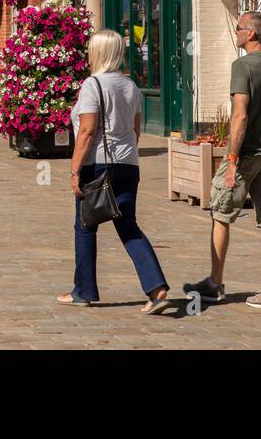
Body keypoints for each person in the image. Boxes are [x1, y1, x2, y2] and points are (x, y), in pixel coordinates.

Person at [57, 29, 172, 314]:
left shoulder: (92, 85)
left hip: (97, 165)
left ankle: (83, 291)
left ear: (97, 53)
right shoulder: (131, 86)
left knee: (85, 226)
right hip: (128, 165)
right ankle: (157, 288)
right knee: (128, 225)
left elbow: (86, 131)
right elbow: (135, 131)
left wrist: (74, 171)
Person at [184, 11, 261, 312]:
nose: (236, 32)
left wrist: (231, 160)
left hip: (246, 155)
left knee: (221, 212)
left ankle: (215, 284)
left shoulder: (242, 66)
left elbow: (240, 114)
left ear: (252, 35)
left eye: (239, 28)